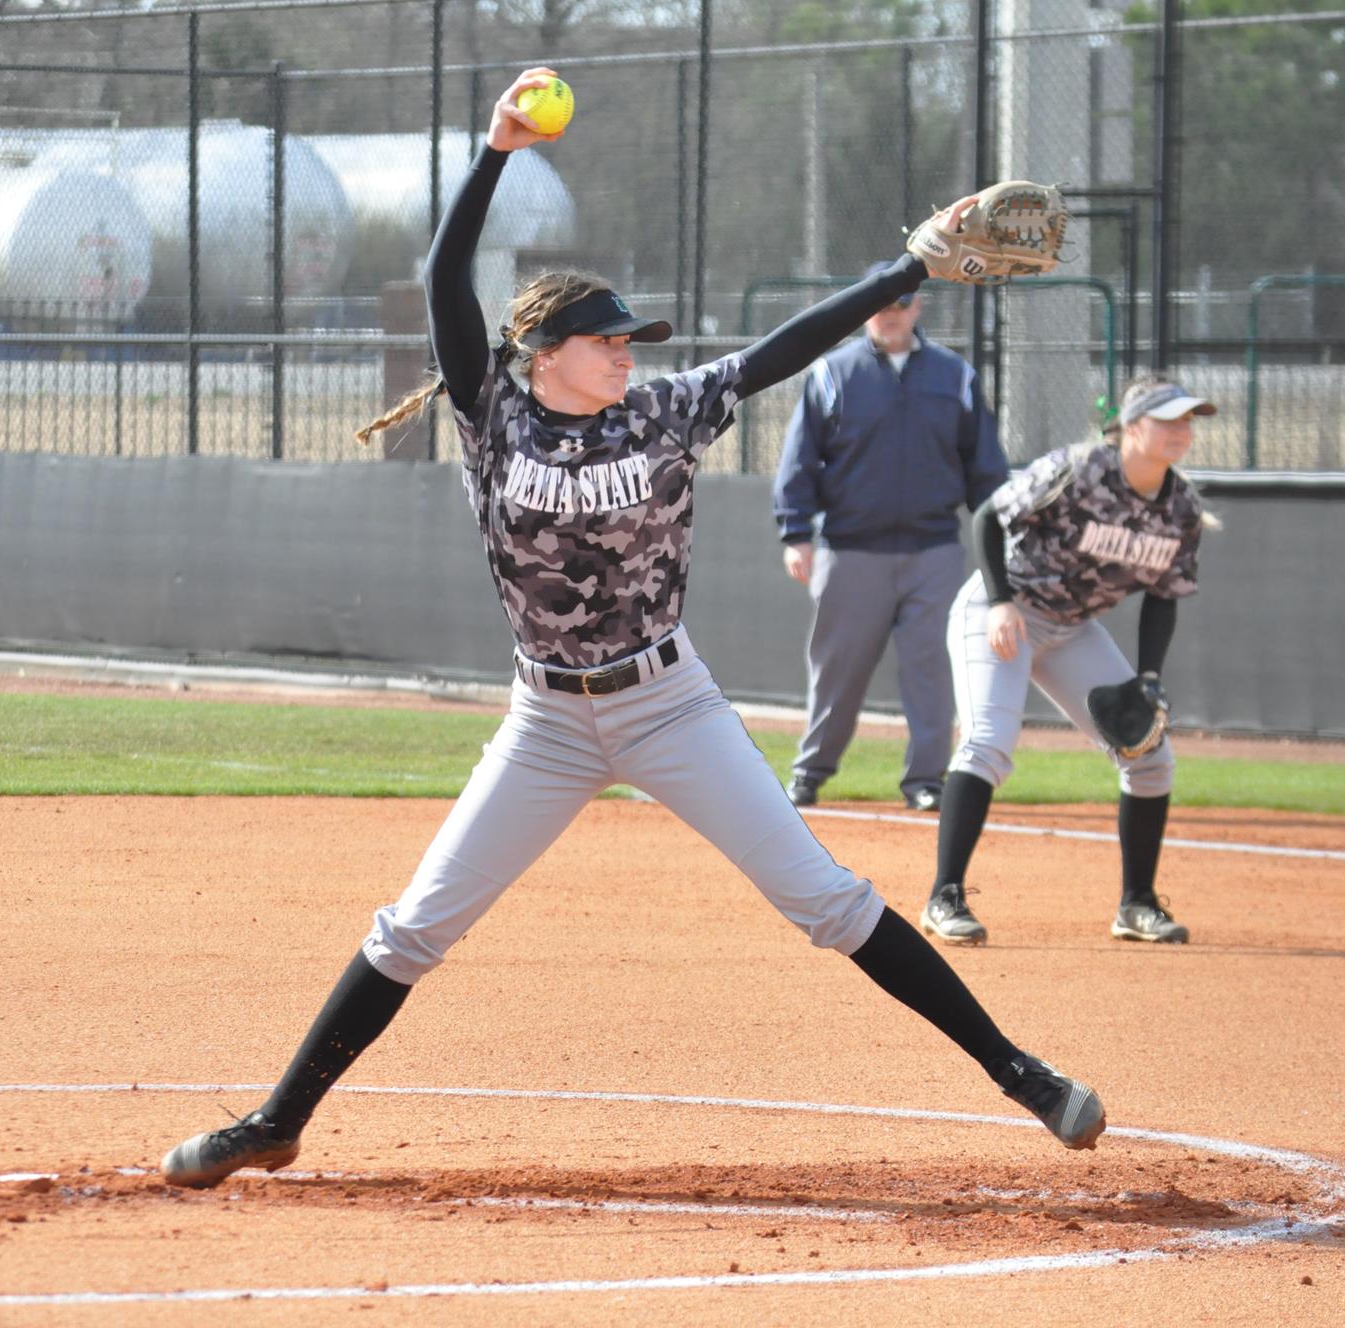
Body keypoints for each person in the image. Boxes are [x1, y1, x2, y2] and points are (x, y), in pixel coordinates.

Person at [160, 68, 1105, 1190]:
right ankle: (275, 1118)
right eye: (606, 341)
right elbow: (443, 279)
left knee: (825, 898)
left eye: (629, 339)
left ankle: (1020, 1074)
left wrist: (908, 268)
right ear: (544, 352)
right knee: (414, 924)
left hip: (670, 704)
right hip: (544, 721)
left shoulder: (663, 409)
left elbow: (784, 348)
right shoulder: (492, 412)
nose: (626, 353)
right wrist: (497, 150)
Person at [920, 374, 1218, 948]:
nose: (1182, 431)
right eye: (1169, 419)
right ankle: (945, 895)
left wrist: (1149, 678)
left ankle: (1137, 904)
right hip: (1001, 609)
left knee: (1150, 757)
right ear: (1132, 428)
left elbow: (1164, 595)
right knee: (987, 741)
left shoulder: (1181, 507)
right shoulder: (1079, 469)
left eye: (1188, 421)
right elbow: (988, 517)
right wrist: (1002, 601)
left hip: (1072, 628)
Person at [773, 263, 1007, 812]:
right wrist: (795, 532)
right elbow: (798, 461)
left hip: (934, 549)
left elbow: (986, 469)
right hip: (851, 549)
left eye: (899, 306)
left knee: (931, 672)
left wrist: (1004, 534)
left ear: (916, 308)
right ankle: (810, 773)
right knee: (837, 670)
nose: (889, 316)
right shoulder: (833, 373)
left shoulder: (955, 376)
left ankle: (925, 780)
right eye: (879, 307)